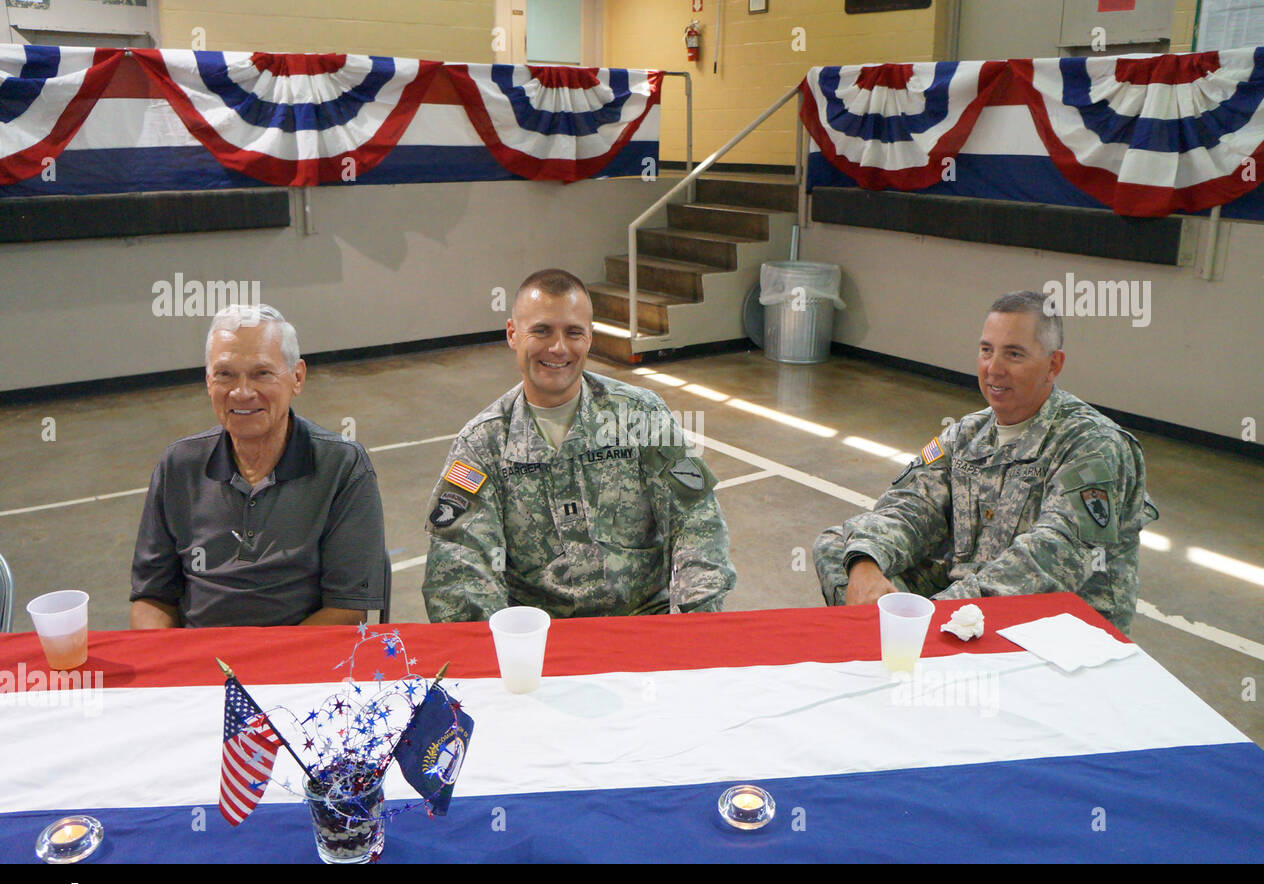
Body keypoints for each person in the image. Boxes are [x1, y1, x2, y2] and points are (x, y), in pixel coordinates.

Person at [813, 290, 1157, 633]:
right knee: (840, 547)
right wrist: (865, 561)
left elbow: (1049, 562)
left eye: (1014, 354)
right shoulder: (967, 433)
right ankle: (889, 642)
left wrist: (936, 614)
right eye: (986, 350)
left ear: (1053, 365)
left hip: (1058, 629)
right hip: (965, 599)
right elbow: (911, 504)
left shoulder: (1093, 445)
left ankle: (896, 643)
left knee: (897, 609)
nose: (994, 368)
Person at [422, 269, 736, 621]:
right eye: (541, 331)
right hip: (538, 640)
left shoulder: (640, 415)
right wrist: (501, 652)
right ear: (513, 334)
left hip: (642, 628)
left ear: (590, 338)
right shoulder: (483, 444)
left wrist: (695, 624)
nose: (558, 348)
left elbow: (697, 522)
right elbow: (461, 565)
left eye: (573, 333)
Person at [130, 304, 387, 628]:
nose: (241, 392)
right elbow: (152, 595)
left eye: (261, 373)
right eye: (225, 374)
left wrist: (256, 672)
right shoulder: (178, 465)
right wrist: (173, 666)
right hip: (201, 661)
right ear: (208, 381)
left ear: (297, 377)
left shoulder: (343, 467)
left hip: (296, 664)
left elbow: (347, 609)